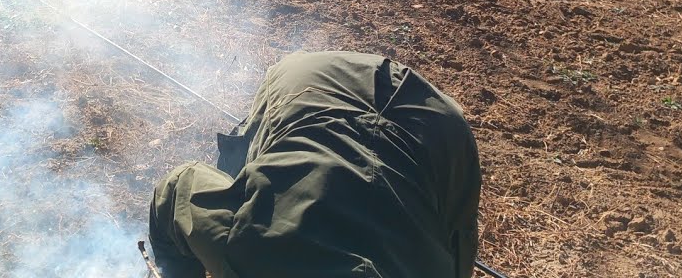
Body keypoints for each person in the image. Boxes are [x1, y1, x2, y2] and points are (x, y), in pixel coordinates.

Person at [149, 51, 482, 278]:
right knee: (247, 163)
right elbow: (178, 186)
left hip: (437, 126)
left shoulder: (245, 253)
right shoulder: (243, 251)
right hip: (328, 91)